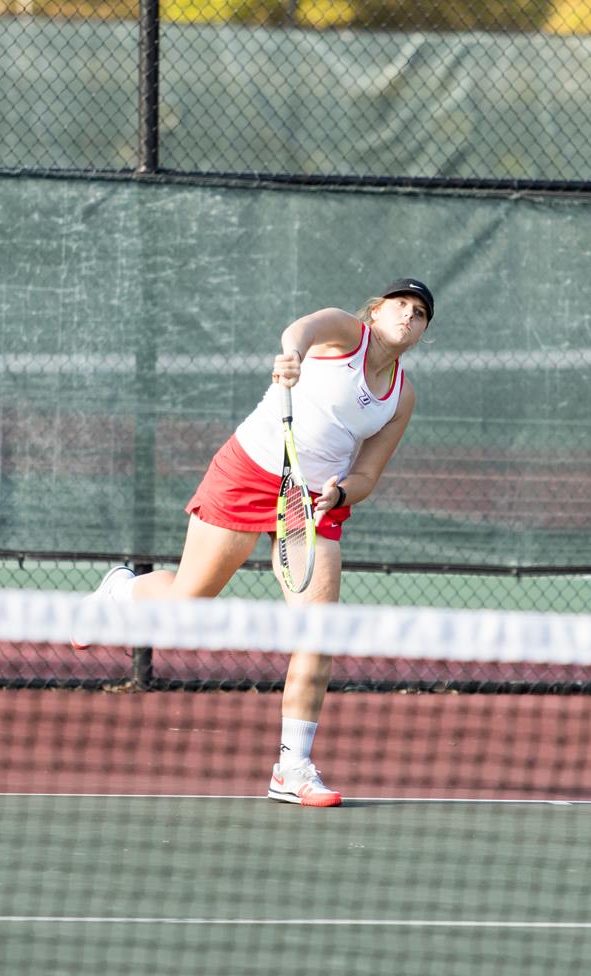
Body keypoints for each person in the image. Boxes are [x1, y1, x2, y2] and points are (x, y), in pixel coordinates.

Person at [76, 278, 434, 808]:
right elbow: (301, 331)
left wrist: (339, 494)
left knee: (319, 632)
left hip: (311, 503)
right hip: (252, 468)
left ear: (424, 332)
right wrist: (291, 355)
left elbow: (368, 474)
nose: (408, 316)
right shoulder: (344, 331)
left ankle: (292, 767)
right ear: (377, 311)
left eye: (420, 313)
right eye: (400, 305)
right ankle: (121, 594)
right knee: (187, 601)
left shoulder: (401, 395)